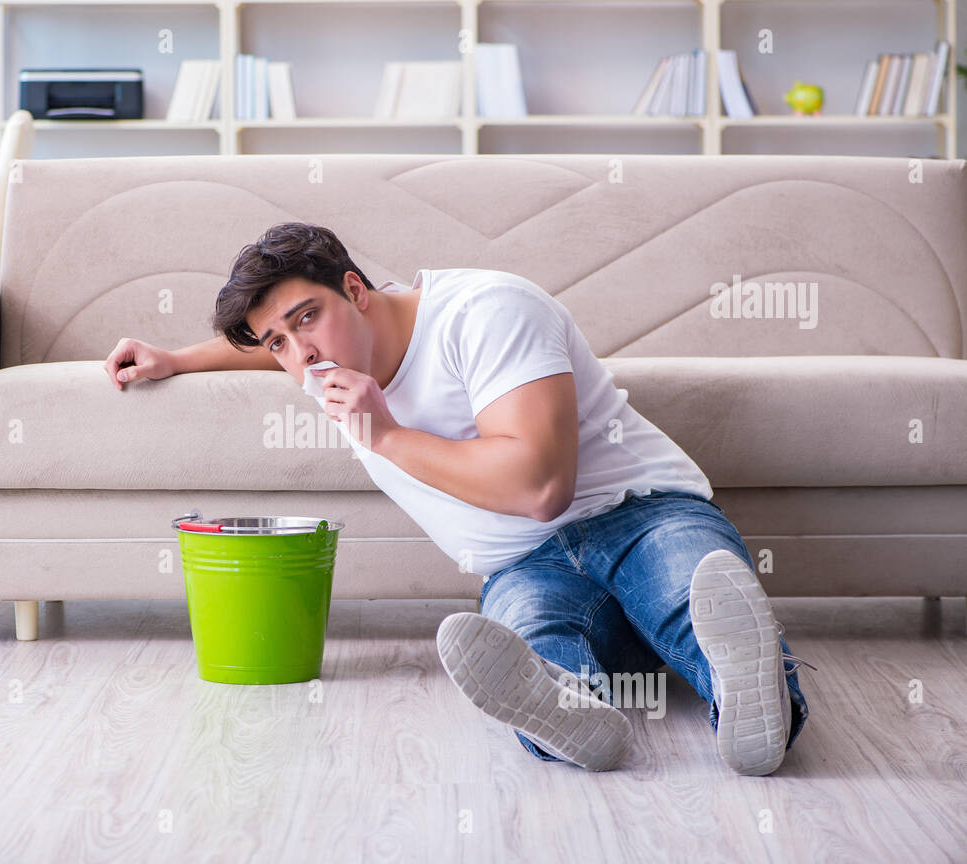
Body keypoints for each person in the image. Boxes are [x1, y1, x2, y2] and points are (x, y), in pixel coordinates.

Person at [103, 222, 816, 774]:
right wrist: (176, 356)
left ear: (356, 288)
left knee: (687, 592)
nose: (300, 355)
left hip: (638, 510)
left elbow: (541, 488)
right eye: (279, 343)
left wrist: (385, 435)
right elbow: (273, 340)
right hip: (526, 567)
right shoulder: (318, 354)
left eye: (307, 319)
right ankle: (580, 723)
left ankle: (753, 705)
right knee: (539, 648)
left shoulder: (486, 311)